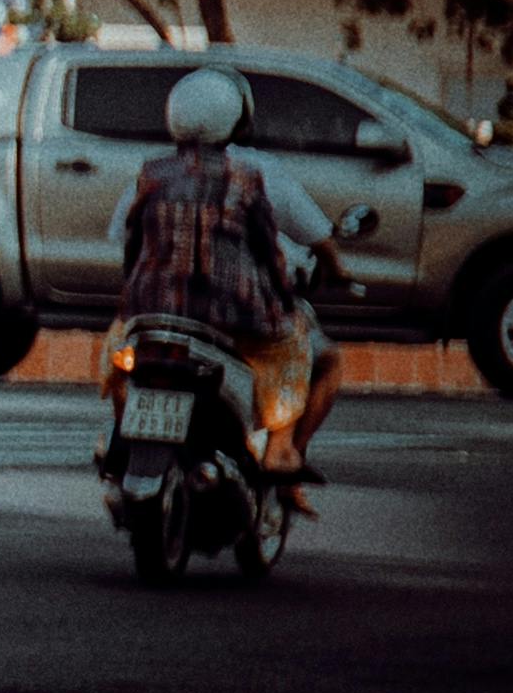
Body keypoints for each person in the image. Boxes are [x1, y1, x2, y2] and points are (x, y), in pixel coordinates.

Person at [110, 67, 340, 475]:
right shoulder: (249, 178)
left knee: (117, 349)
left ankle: (120, 433)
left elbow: (127, 243)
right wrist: (283, 298)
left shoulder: (149, 174)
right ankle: (281, 448)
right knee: (294, 347)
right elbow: (271, 253)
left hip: (153, 315)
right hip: (235, 320)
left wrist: (133, 299)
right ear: (235, 119)